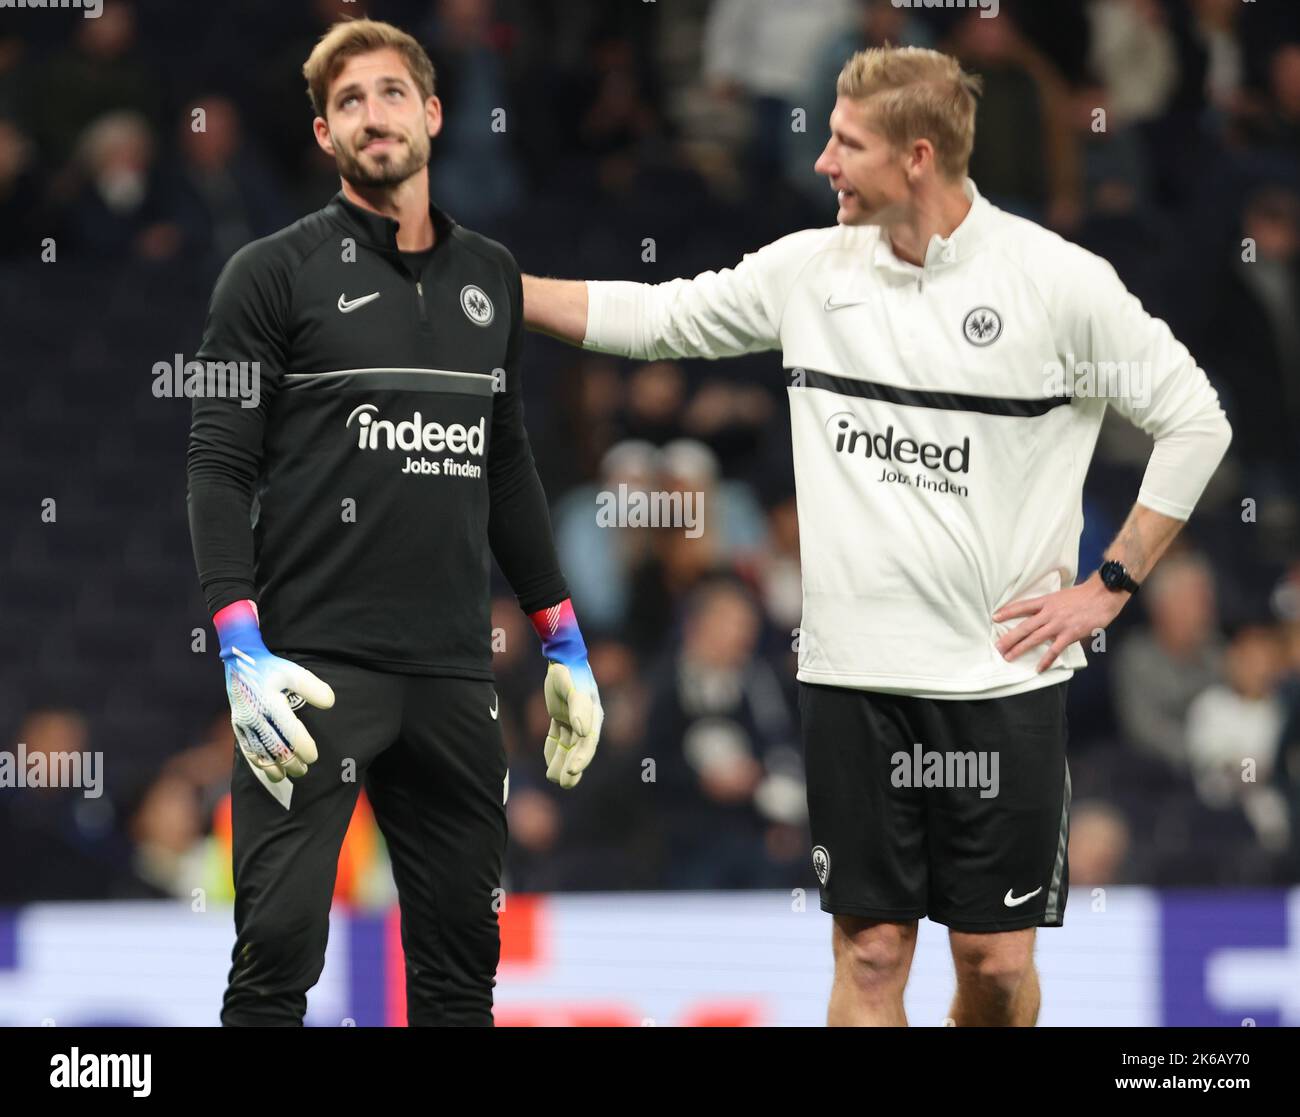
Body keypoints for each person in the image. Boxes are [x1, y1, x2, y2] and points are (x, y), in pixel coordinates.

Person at [521, 45, 1231, 1026]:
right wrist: (497, 290)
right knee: (870, 952)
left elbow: (1196, 420)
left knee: (988, 962)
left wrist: (1110, 581)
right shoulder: (813, 271)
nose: (821, 162)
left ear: (918, 158)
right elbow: (656, 316)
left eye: (845, 144)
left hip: (1000, 682)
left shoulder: (1057, 283)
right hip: (853, 680)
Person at [186, 18, 602, 1027]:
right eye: (348, 103)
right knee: (276, 957)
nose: (372, 115)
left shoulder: (491, 277)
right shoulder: (268, 274)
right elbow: (216, 462)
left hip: (455, 676)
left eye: (388, 93)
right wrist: (238, 644)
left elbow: (505, 466)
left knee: (461, 973)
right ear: (326, 136)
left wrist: (563, 637)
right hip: (310, 672)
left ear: (432, 113)